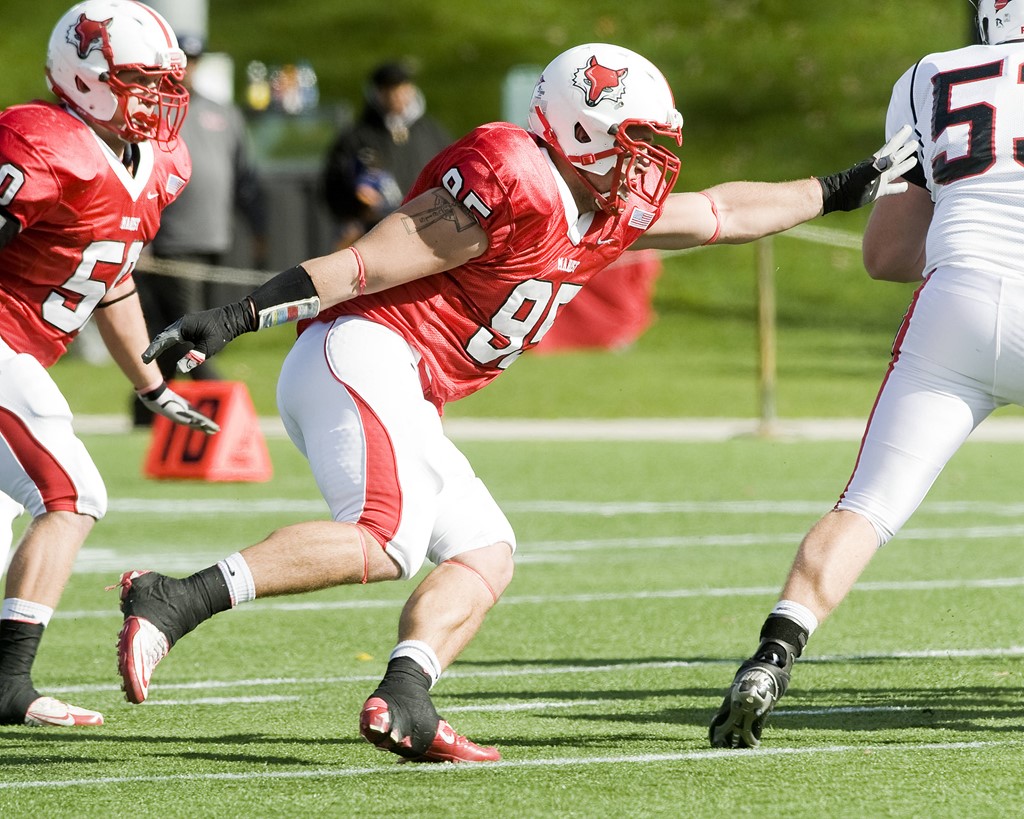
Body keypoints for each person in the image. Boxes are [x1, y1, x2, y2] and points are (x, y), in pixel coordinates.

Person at [115, 42, 916, 762]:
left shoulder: (605, 205)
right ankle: (176, 597)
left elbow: (722, 211)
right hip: (361, 350)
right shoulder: (512, 175)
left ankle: (405, 696)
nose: (647, 168)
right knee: (387, 537)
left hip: (408, 383)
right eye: (635, 145)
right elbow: (365, 266)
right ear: (582, 133)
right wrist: (234, 315)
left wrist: (845, 186)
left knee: (484, 550)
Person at [708, 0, 1024, 749]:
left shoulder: (931, 76)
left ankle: (774, 651)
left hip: (958, 298)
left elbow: (885, 255)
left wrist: (964, 249)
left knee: (868, 504)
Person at [0, 0, 219, 727]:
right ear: (87, 76)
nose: (160, 98)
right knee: (72, 493)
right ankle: (8, 684)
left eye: (165, 82)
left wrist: (151, 383)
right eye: (142, 80)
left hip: (24, 350)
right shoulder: (39, 143)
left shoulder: (156, 162)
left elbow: (111, 280)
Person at [133, 32, 268, 426]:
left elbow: (245, 177)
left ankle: (145, 410)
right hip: (171, 241)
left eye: (193, 60)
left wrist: (258, 226)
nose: (187, 68)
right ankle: (222, 405)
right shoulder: (152, 110)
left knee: (173, 329)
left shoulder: (223, 113)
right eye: (182, 59)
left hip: (215, 238)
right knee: (192, 329)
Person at [322, 61, 451, 248]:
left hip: (428, 232)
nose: (396, 97)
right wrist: (355, 199)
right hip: (375, 233)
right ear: (376, 93)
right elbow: (332, 184)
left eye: (401, 89)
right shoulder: (357, 137)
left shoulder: (432, 133)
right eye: (389, 90)